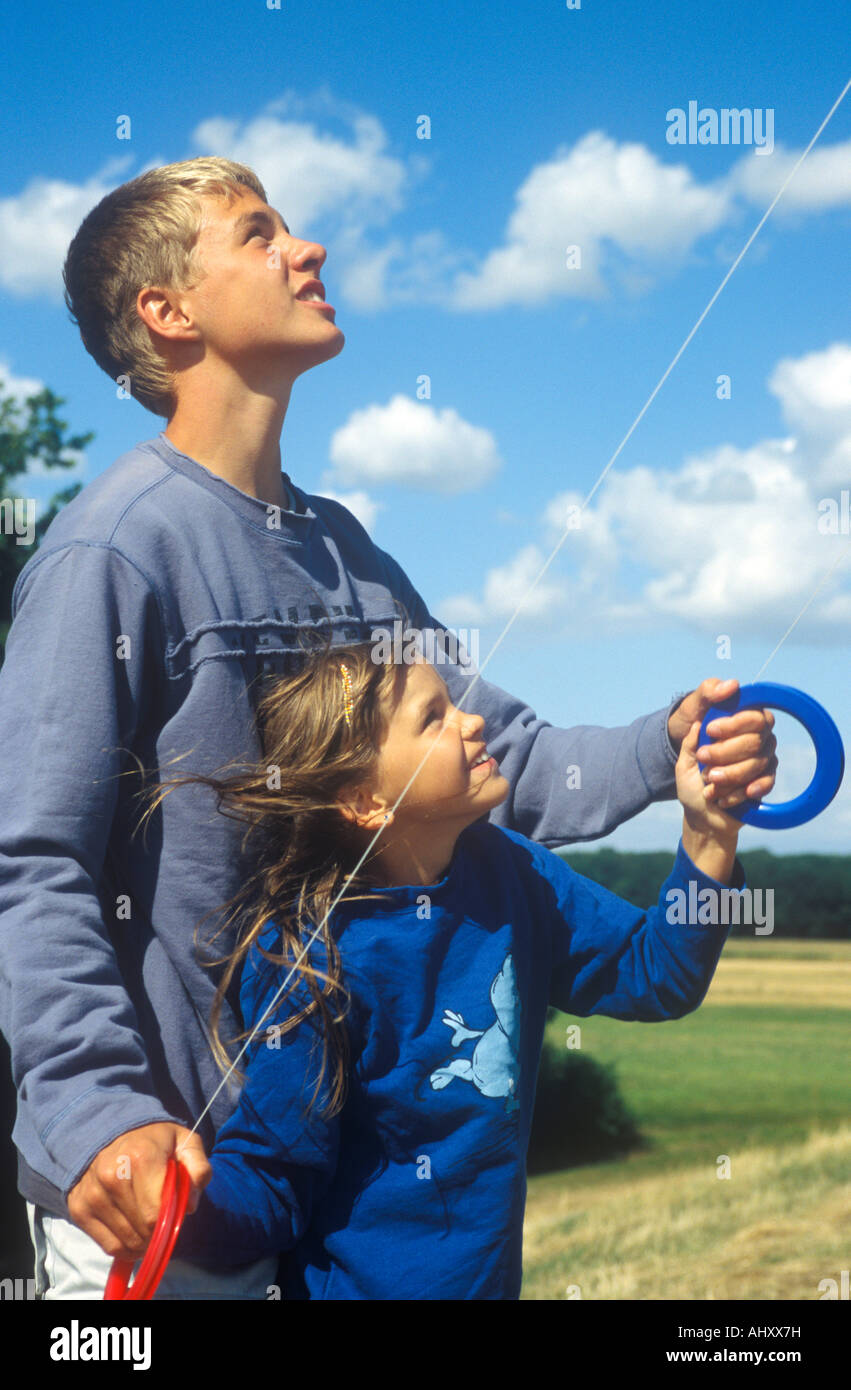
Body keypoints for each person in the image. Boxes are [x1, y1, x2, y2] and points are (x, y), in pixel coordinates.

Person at [0, 156, 776, 1299]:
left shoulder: (345, 551)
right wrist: (98, 1111)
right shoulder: (111, 551)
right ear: (166, 314)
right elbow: (35, 862)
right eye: (259, 234)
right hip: (164, 1185)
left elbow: (496, 754)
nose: (306, 249)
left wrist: (667, 748)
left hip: (318, 1192)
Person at [156, 640, 748, 1299]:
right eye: (432, 717)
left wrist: (709, 837)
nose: (472, 722)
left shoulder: (514, 871)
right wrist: (175, 1210)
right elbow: (277, 1177)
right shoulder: (305, 954)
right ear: (364, 800)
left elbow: (652, 974)